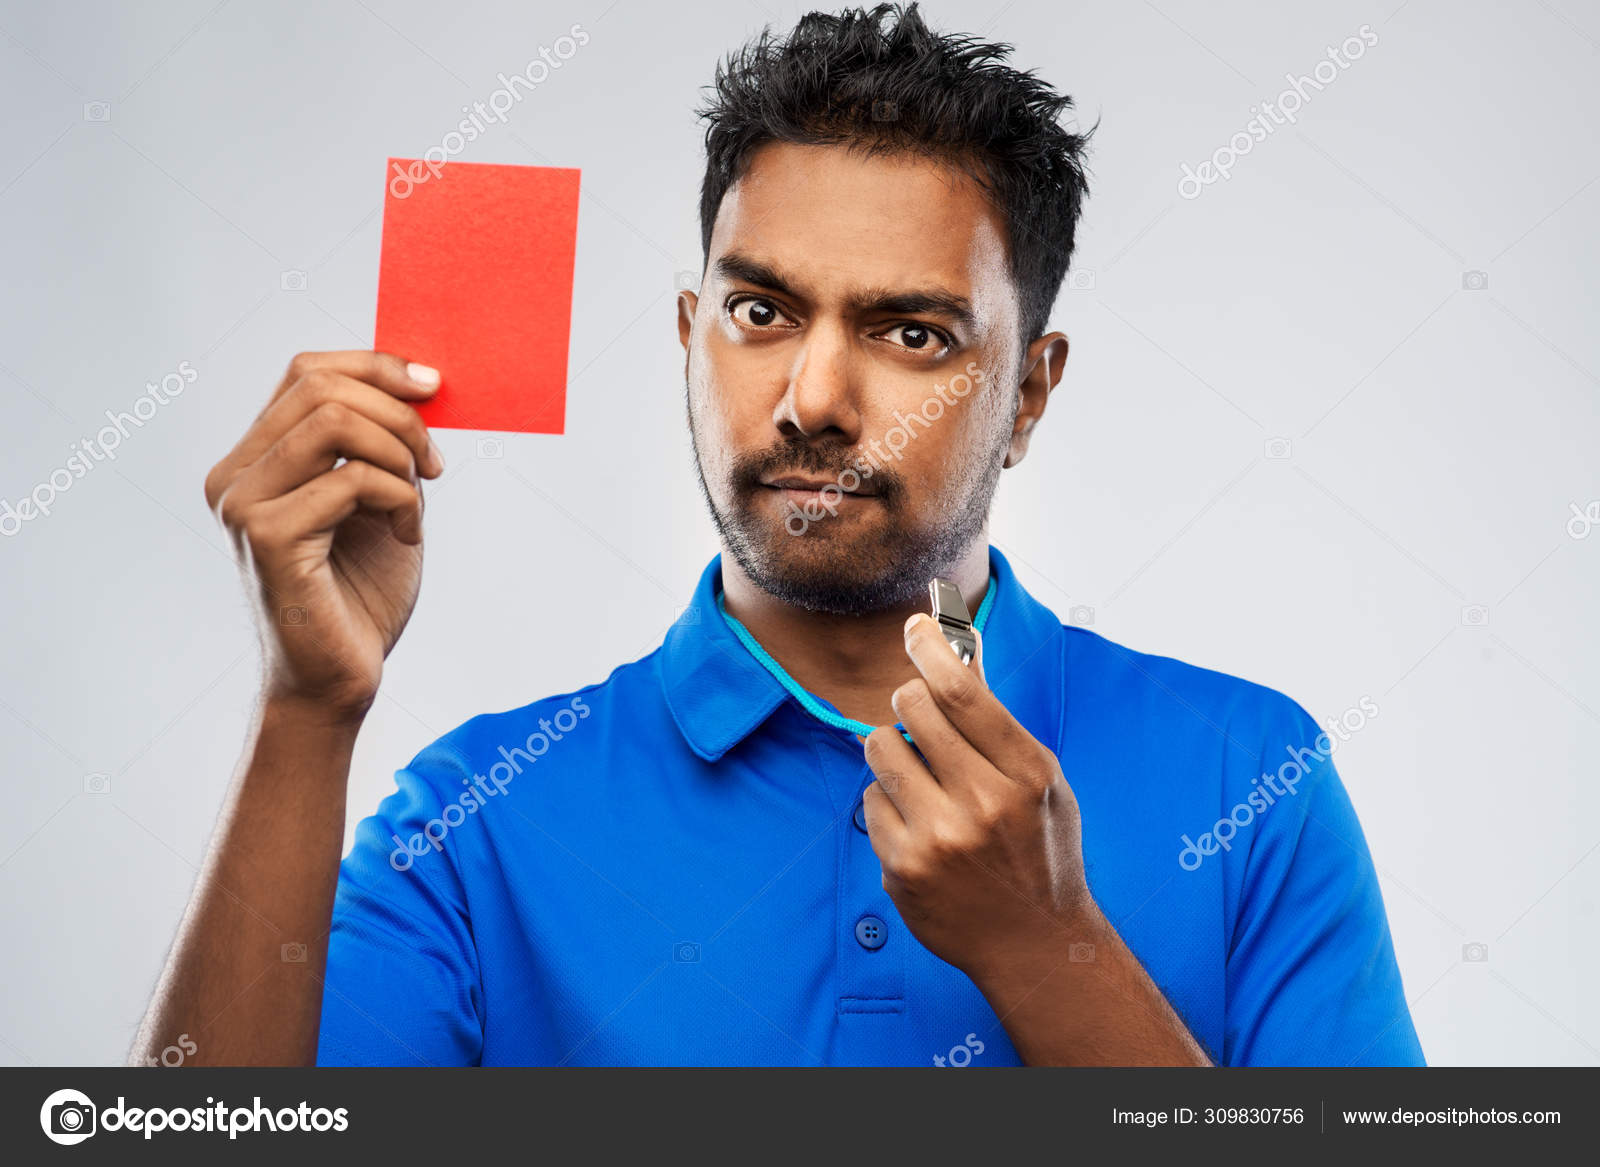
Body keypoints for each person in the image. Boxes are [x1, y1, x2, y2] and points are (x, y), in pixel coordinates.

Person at [133, 2, 1423, 1067]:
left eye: (911, 334)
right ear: (688, 337)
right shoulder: (473, 823)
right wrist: (306, 712)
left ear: (1026, 392)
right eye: (759, 314)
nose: (812, 399)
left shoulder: (1253, 783)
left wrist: (1049, 948)